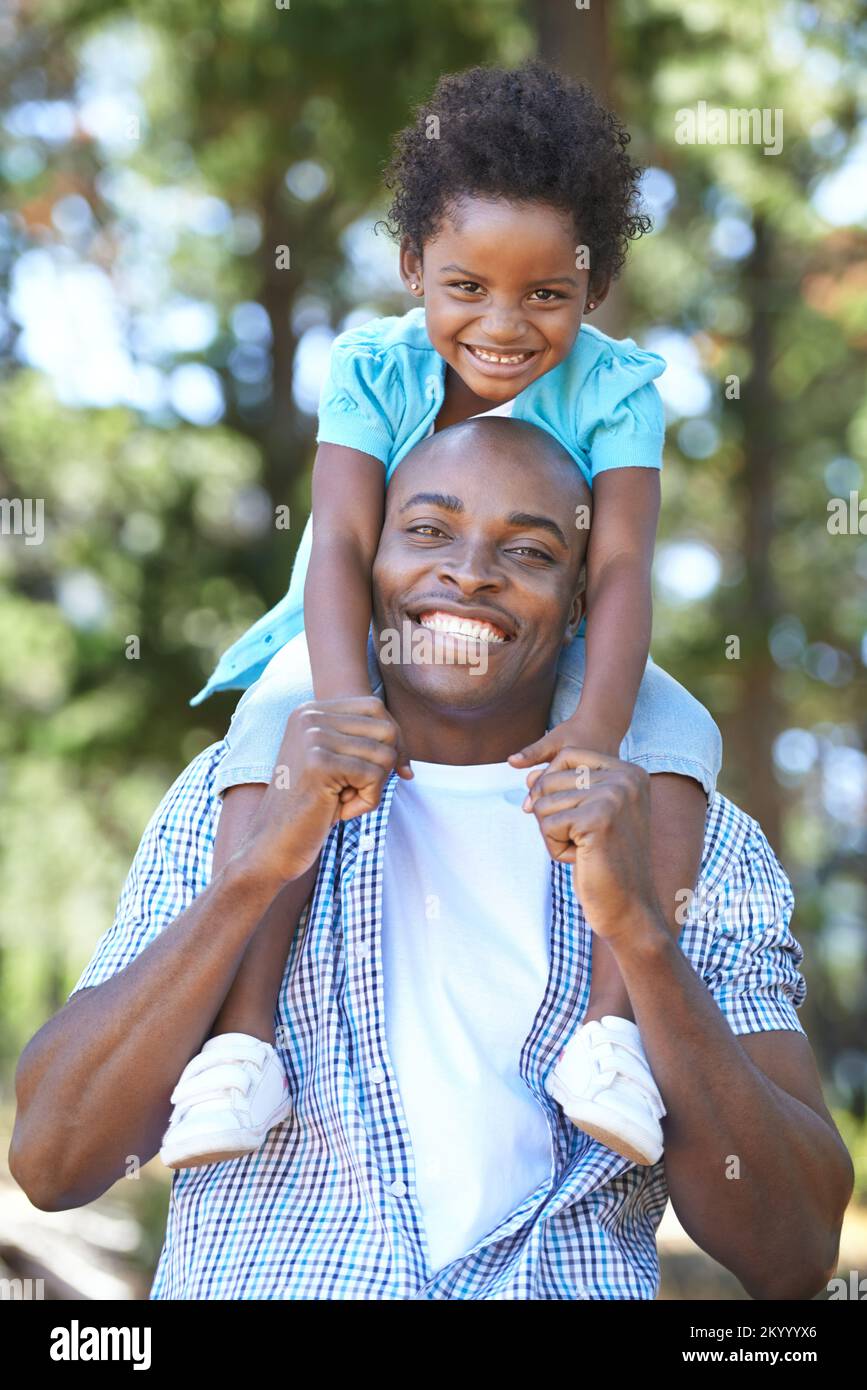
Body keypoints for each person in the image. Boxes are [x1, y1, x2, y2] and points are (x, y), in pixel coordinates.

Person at [9, 421, 853, 1300]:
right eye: (426, 531)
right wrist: (253, 874)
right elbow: (55, 1160)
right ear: (362, 567)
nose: (470, 572)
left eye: (529, 549)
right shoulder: (236, 796)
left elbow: (793, 1250)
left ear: (579, 603)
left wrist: (642, 935)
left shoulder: (698, 842)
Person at [169, 59, 723, 1169]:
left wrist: (601, 729)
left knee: (683, 741)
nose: (504, 324)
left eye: (547, 295)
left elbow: (616, 573)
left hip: (551, 640)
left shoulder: (617, 391)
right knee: (269, 735)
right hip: (353, 627)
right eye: (466, 285)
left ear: (595, 285)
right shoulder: (372, 365)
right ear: (415, 263)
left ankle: (612, 1035)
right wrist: (338, 702)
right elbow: (336, 546)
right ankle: (240, 1045)